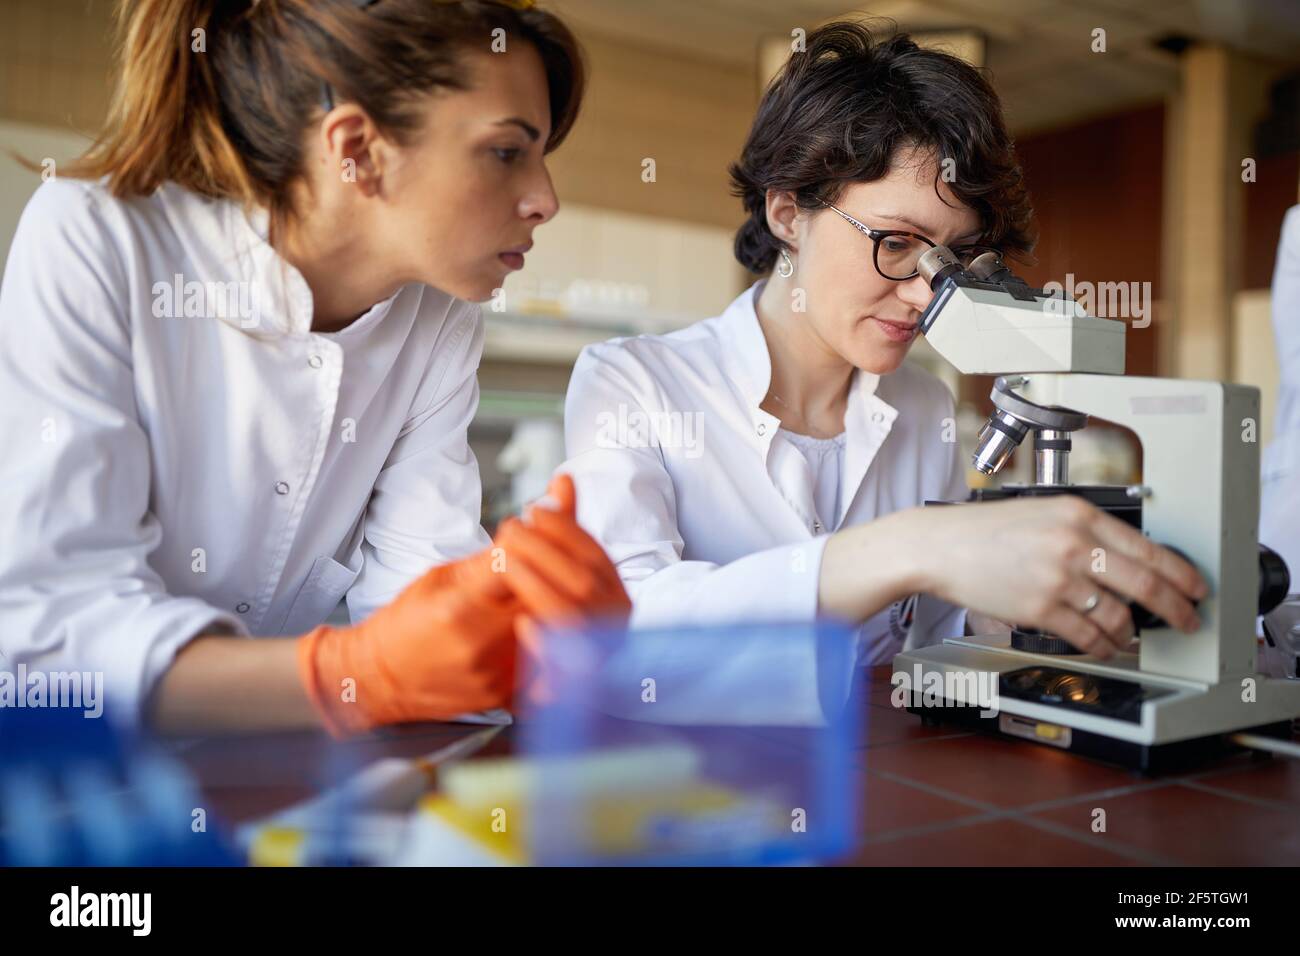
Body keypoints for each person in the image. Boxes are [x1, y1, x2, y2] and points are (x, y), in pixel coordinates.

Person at [0, 0, 627, 736]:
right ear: (356, 148)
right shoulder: (97, 234)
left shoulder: (439, 320)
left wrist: (533, 650)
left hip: (261, 774)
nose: (545, 199)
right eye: (506, 151)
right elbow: (49, 638)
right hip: (60, 775)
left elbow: (422, 612)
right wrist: (350, 672)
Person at [560, 22, 1206, 666]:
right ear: (787, 213)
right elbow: (623, 625)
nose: (927, 296)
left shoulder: (923, 403)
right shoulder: (635, 382)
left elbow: (934, 631)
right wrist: (911, 546)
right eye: (895, 242)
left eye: (955, 260)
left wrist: (1028, 602)